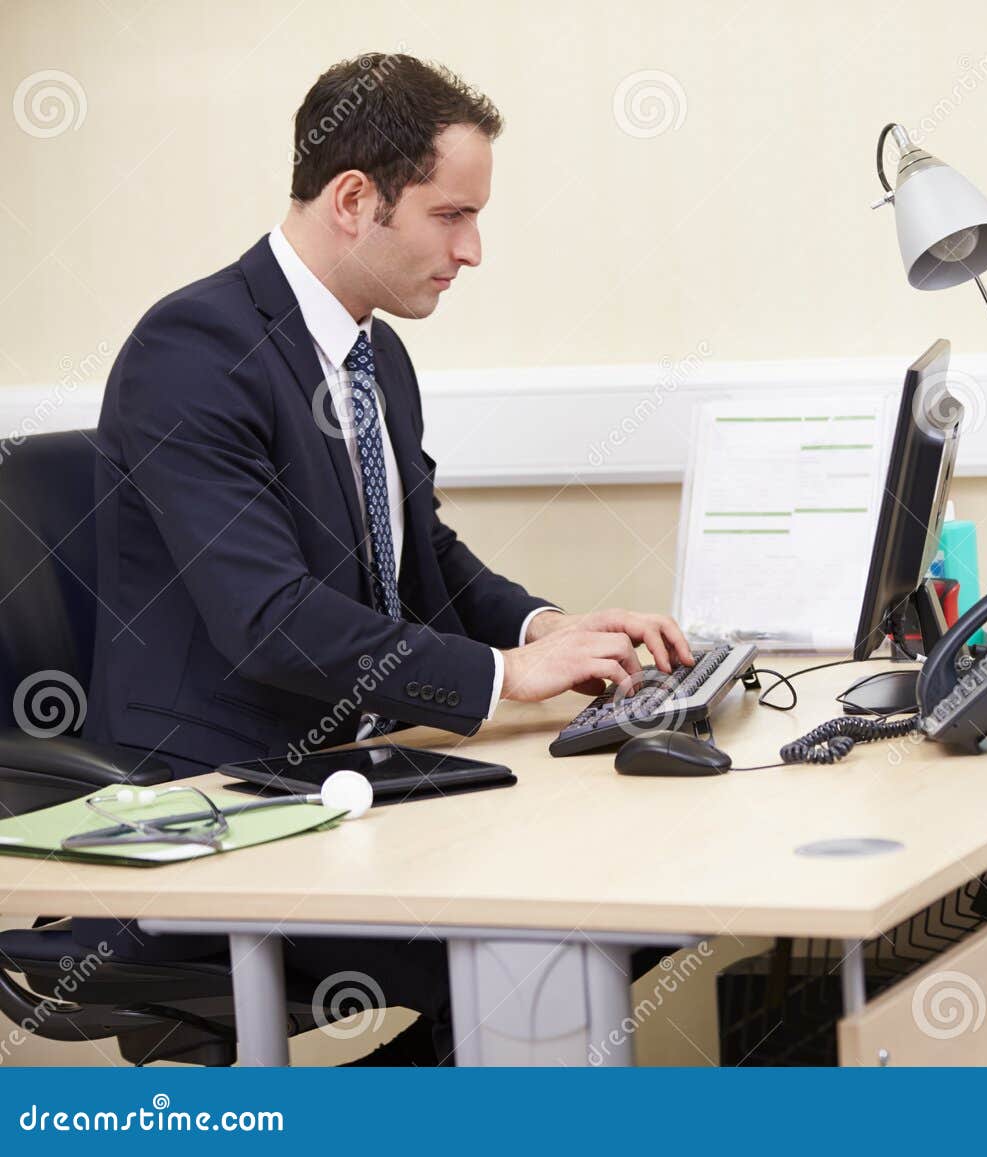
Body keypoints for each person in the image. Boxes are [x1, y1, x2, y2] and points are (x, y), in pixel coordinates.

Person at [79, 53, 691, 1064]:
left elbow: (423, 553)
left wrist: (549, 628)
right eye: (452, 215)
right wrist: (504, 675)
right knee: (567, 933)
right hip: (222, 808)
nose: (473, 249)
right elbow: (270, 619)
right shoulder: (192, 350)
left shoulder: (375, 355)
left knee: (645, 896)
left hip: (351, 776)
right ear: (356, 200)